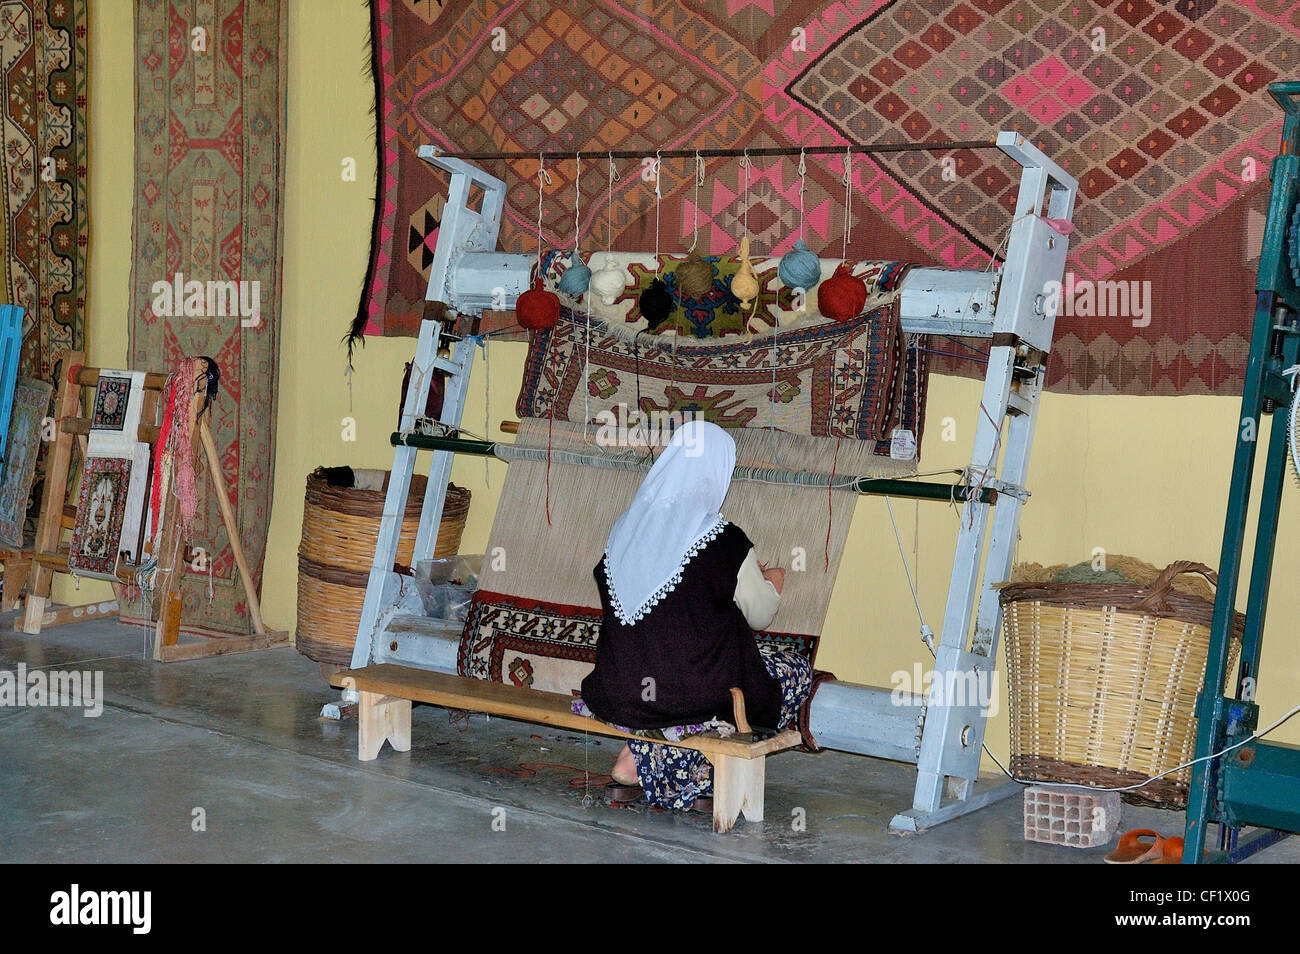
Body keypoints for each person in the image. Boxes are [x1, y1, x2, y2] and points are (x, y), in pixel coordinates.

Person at [578, 419, 811, 810]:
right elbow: (760, 614)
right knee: (792, 672)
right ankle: (703, 771)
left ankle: (637, 753)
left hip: (619, 689)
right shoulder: (724, 540)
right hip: (692, 696)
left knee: (675, 677)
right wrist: (773, 580)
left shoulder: (625, 529)